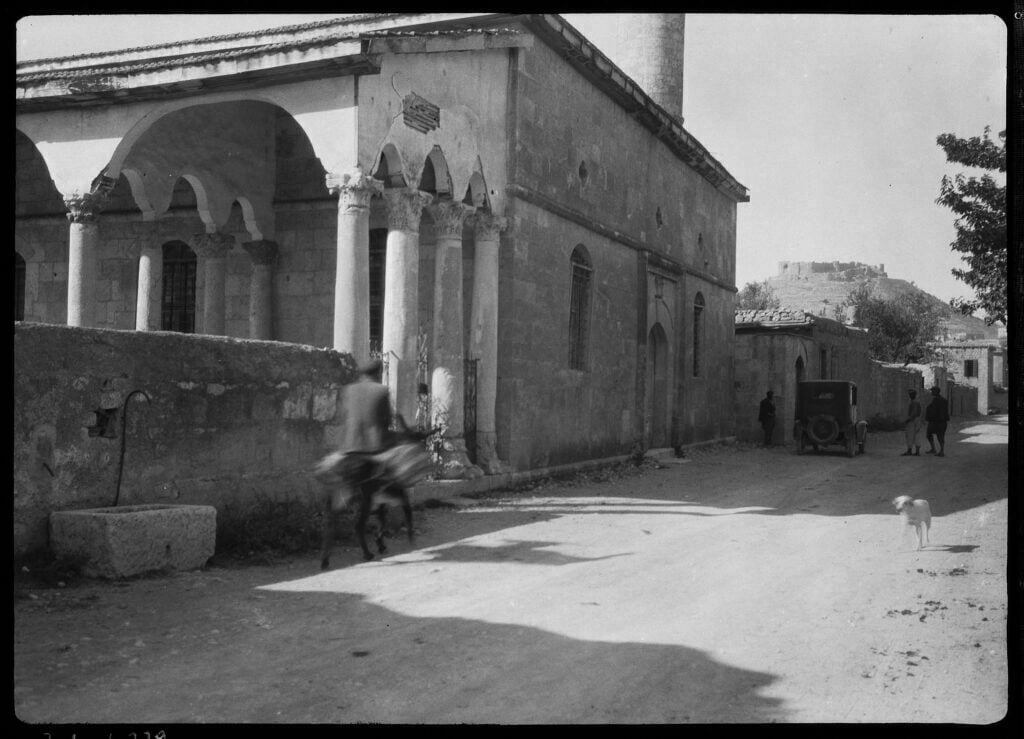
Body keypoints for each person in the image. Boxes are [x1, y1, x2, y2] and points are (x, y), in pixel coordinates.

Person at [320, 358, 393, 570]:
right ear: (378, 373)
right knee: (384, 487)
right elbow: (385, 422)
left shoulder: (348, 390)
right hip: (369, 452)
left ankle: (325, 552)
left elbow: (342, 418)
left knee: (335, 507)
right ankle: (377, 538)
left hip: (345, 451)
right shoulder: (382, 391)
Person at [924, 386, 950, 457]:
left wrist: (929, 417)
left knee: (933, 435)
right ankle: (939, 450)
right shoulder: (943, 400)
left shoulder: (936, 400)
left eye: (933, 391)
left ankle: (938, 450)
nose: (931, 392)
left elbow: (934, 411)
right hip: (942, 421)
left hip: (936, 421)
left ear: (936, 392)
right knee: (940, 436)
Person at [901, 388, 922, 456]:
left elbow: (914, 413)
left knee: (910, 435)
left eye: (911, 394)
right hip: (917, 420)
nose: (910, 395)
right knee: (917, 435)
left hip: (912, 420)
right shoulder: (917, 402)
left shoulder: (913, 402)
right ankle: (917, 451)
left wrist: (908, 420)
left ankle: (909, 450)